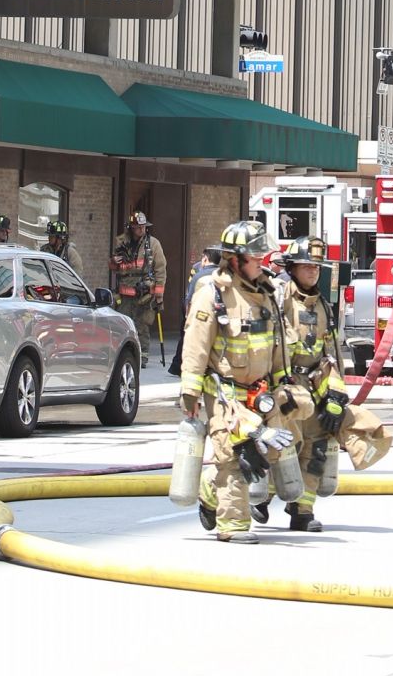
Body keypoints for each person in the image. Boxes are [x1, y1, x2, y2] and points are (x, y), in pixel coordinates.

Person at [179, 219, 296, 544]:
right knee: (232, 456)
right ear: (234, 259)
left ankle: (209, 490)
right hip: (224, 392)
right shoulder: (212, 295)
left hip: (261, 392)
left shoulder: (266, 293)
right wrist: (190, 392)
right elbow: (196, 345)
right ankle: (233, 525)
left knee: (271, 451)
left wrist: (283, 387)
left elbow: (277, 346)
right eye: (255, 257)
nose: (261, 261)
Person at [277, 235, 392, 531]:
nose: (313, 271)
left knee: (317, 448)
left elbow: (331, 354)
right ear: (291, 268)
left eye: (316, 266)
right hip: (284, 388)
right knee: (279, 447)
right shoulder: (278, 301)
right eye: (306, 265)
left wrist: (336, 396)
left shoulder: (322, 307)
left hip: (314, 385)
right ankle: (260, 498)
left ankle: (302, 511)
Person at [111, 209, 167, 347]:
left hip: (144, 295)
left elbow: (160, 270)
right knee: (123, 326)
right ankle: (126, 353)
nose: (142, 229)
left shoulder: (153, 244)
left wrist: (159, 295)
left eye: (144, 226)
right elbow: (114, 269)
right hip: (124, 296)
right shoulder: (121, 242)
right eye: (138, 227)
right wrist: (113, 262)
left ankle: (143, 355)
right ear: (131, 228)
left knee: (142, 327)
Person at [169, 244, 221, 377]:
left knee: (190, 343)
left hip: (199, 315)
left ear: (205, 259)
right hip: (219, 316)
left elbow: (189, 298)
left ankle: (183, 368)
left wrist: (188, 318)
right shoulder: (225, 275)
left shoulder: (199, 275)